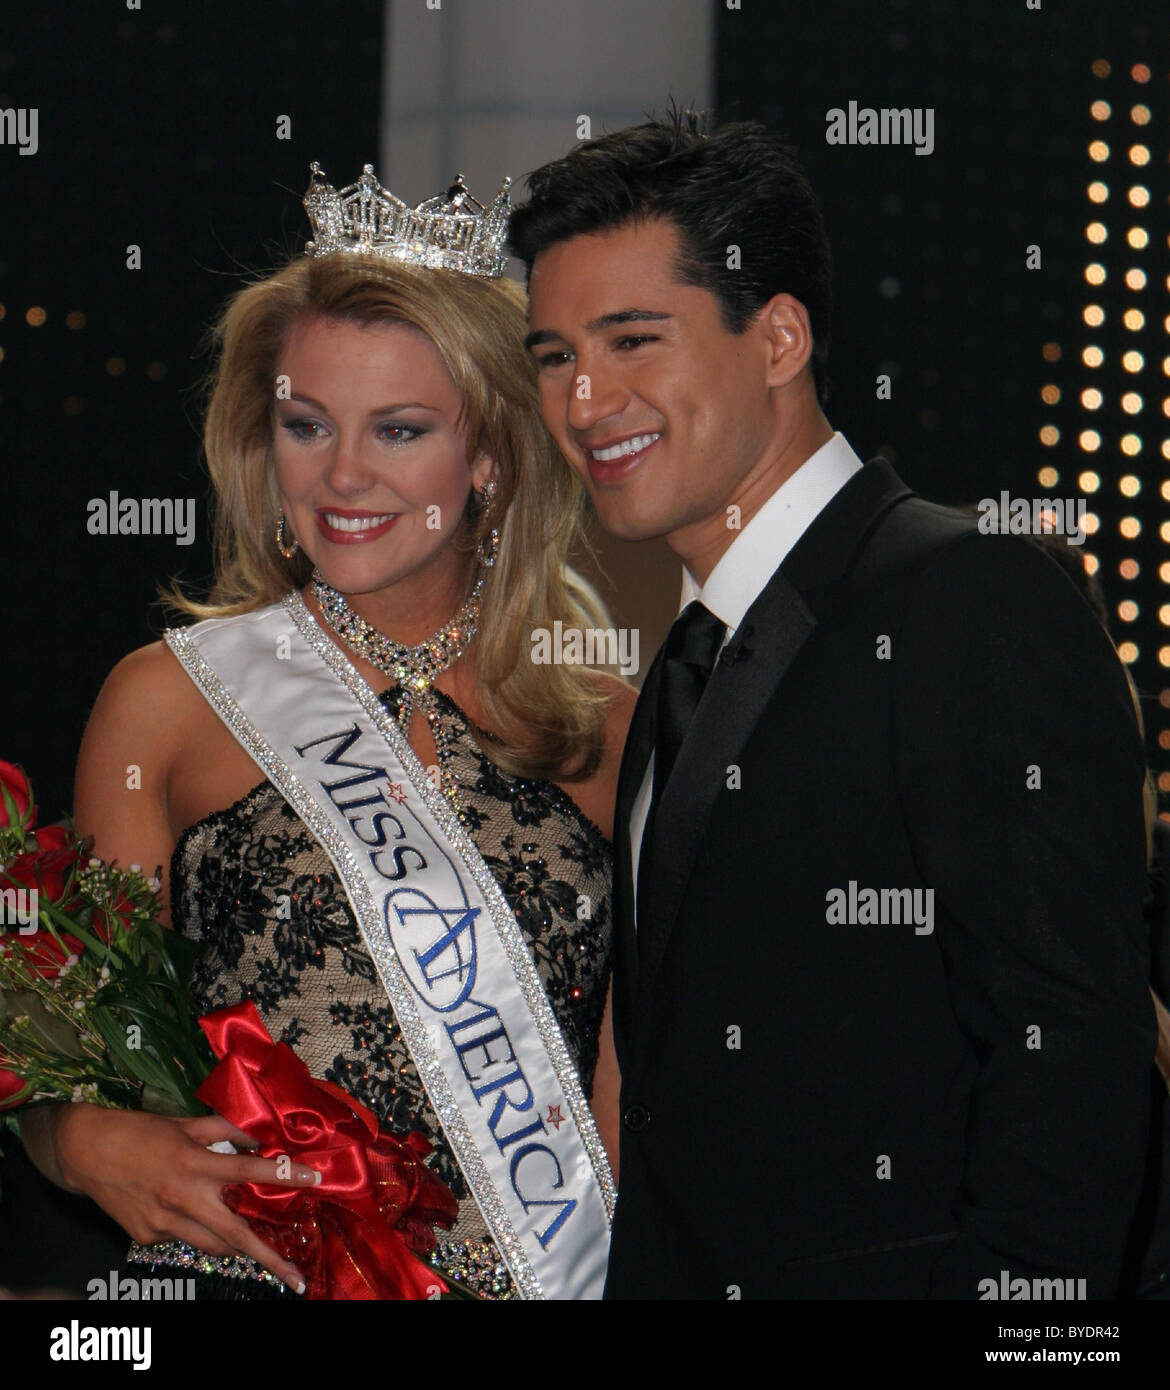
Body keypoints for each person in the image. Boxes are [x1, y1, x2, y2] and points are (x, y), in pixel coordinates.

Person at [508, 108, 1157, 1298]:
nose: (586, 401)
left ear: (780, 338)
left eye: (634, 339)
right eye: (554, 357)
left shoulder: (971, 593)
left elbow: (1072, 1046)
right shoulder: (680, 668)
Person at [18, 163, 634, 1301]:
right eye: (307, 424)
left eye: (399, 430)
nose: (342, 475)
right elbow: (93, 1061)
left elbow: (636, 1107)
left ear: (490, 457)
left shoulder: (610, 725)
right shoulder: (169, 700)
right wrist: (76, 1140)